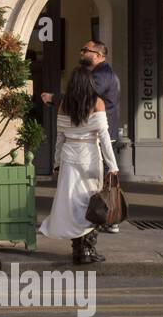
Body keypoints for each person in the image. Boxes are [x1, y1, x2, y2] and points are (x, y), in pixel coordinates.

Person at [38, 67, 118, 264]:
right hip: (90, 157)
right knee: (93, 203)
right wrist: (113, 166)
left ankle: (78, 250)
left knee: (73, 204)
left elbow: (59, 139)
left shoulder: (64, 105)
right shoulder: (97, 103)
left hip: (69, 159)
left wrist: (56, 163)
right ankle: (88, 249)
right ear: (89, 83)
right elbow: (104, 139)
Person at [42, 39, 122, 232]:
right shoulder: (95, 74)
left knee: (94, 188)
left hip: (94, 139)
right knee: (87, 189)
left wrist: (54, 98)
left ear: (98, 55)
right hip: (88, 144)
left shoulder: (101, 75)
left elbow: (82, 99)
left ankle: (106, 219)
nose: (81, 52)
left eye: (85, 50)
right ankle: (91, 224)